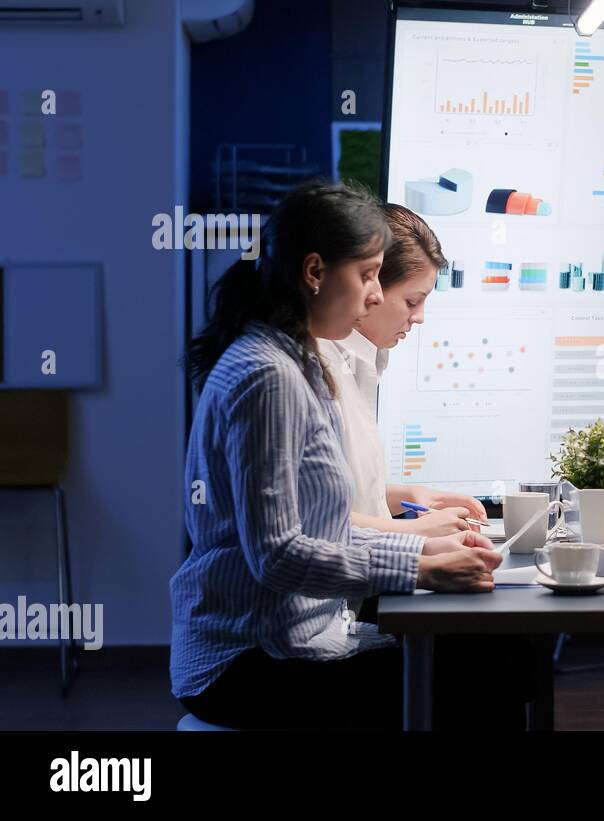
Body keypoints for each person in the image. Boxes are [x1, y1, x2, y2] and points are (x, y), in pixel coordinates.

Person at [171, 181, 509, 730]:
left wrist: (426, 550)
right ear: (314, 273)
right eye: (368, 275)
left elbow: (323, 525)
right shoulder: (268, 375)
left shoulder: (297, 362)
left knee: (496, 660)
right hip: (246, 662)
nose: (375, 296)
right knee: (488, 675)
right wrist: (420, 567)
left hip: (296, 641)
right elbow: (278, 557)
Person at [315, 203, 487, 539]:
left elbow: (337, 497)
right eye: (412, 301)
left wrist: (405, 497)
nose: (419, 317)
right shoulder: (312, 368)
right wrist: (417, 536)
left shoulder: (360, 362)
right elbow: (314, 521)